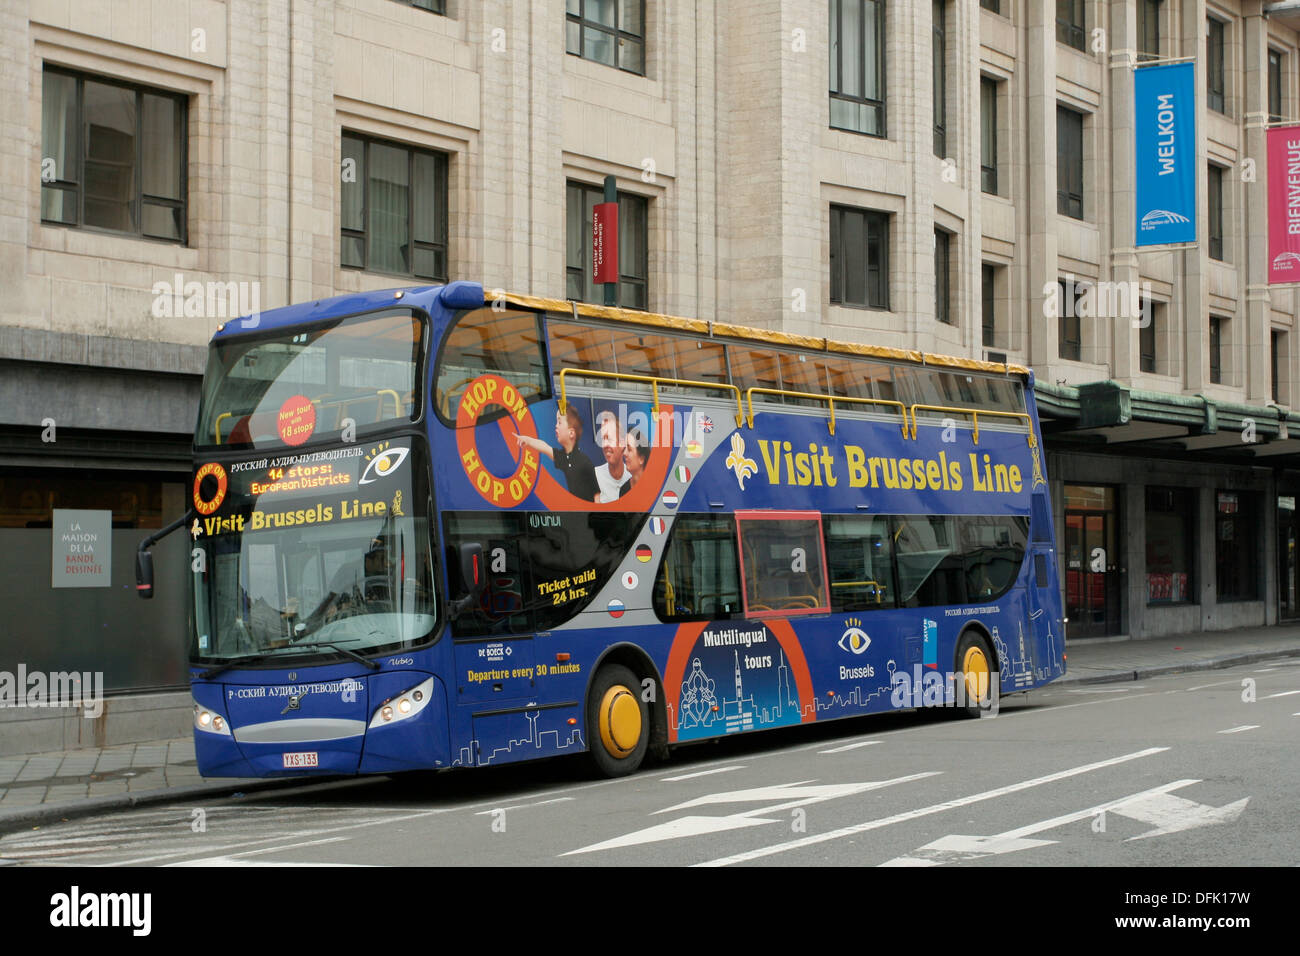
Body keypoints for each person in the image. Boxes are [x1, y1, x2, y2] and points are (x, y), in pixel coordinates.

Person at [296, 535, 392, 636]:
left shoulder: (386, 572)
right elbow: (330, 597)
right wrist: (311, 621)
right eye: (381, 559)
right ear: (368, 560)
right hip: (356, 622)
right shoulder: (348, 571)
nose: (386, 563)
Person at [516, 408, 599, 502]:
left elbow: (596, 494)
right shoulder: (564, 458)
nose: (556, 426)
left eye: (559, 422)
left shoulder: (585, 462)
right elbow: (545, 447)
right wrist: (528, 440)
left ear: (571, 433)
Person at [593, 410, 630, 502]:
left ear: (622, 443)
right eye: (603, 439)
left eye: (608, 438)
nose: (604, 444)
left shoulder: (633, 478)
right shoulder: (594, 476)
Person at [619, 426, 650, 498]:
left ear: (641, 459)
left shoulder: (654, 488)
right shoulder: (624, 490)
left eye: (629, 449)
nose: (624, 453)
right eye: (624, 449)